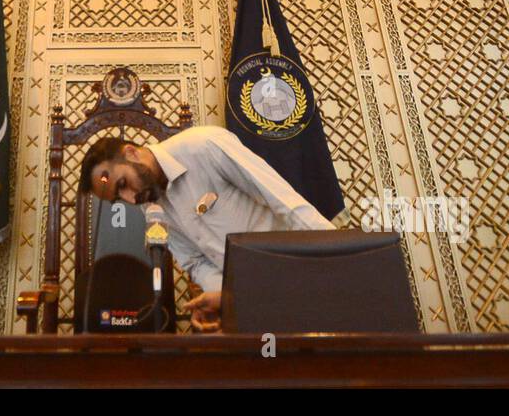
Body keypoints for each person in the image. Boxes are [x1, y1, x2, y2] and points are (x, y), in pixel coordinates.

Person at [79, 125, 335, 332]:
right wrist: (225, 298)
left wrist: (341, 258)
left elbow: (283, 201)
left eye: (123, 183)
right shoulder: (150, 205)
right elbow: (196, 262)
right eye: (117, 198)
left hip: (301, 276)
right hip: (253, 302)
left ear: (132, 153)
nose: (130, 199)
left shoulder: (204, 146)